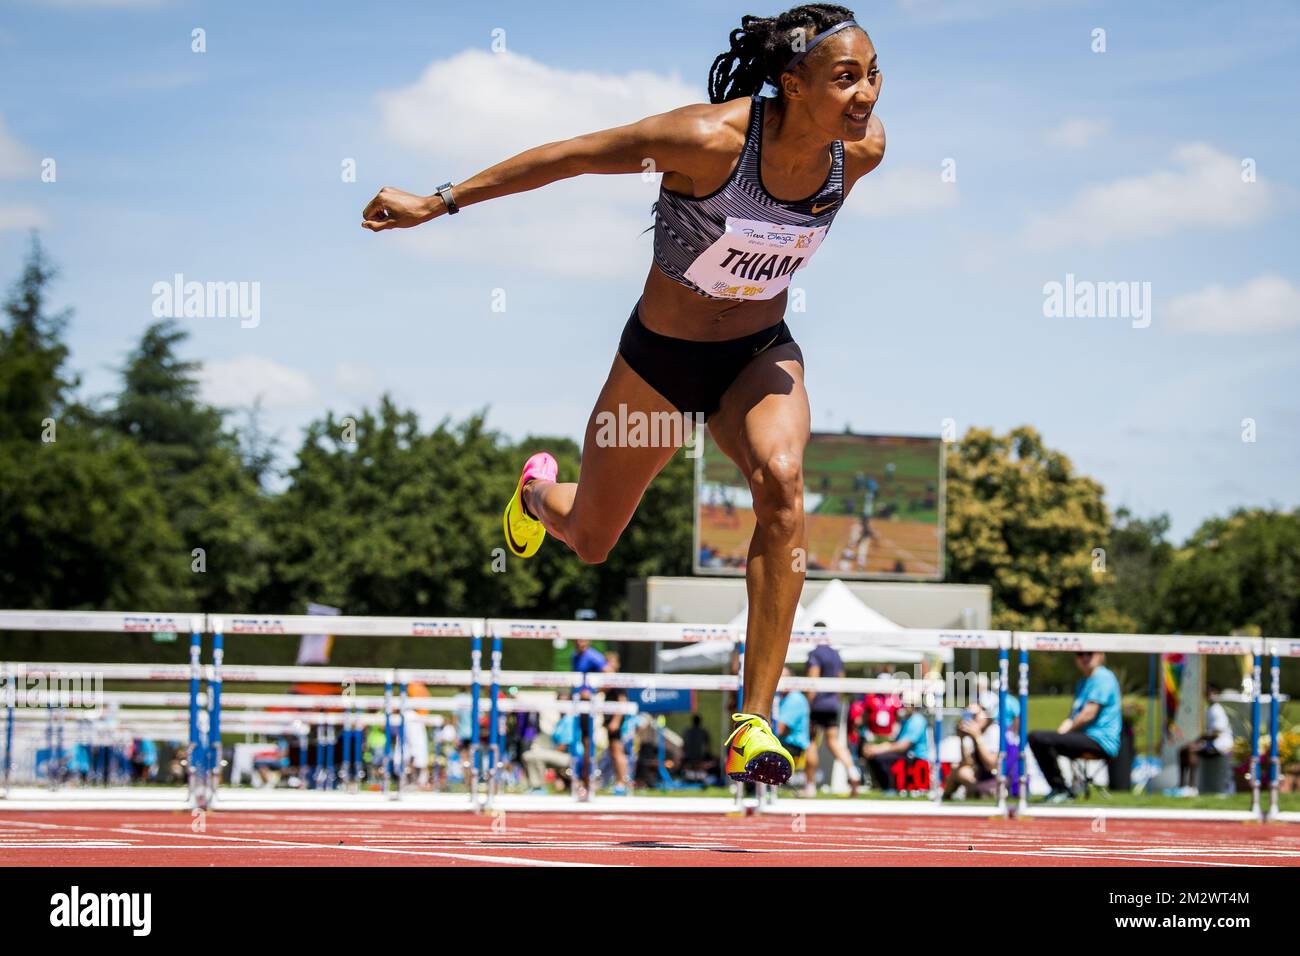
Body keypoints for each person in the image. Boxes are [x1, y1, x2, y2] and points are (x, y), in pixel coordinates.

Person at [362, 5, 885, 787]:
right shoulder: (707, 141)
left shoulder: (861, 154)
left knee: (782, 485)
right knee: (593, 536)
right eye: (846, 78)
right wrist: (440, 201)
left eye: (875, 75)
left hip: (756, 357)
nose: (867, 94)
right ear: (791, 82)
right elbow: (571, 156)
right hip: (662, 365)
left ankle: (754, 722)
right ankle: (538, 493)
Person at [1028, 650, 1121, 803]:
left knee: (1039, 738)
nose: (1084, 657)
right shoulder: (1083, 682)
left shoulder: (1103, 677)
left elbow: (1088, 713)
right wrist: (1059, 734)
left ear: (1100, 655)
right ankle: (1060, 789)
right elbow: (1073, 717)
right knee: (1039, 738)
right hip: (1084, 737)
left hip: (1101, 741)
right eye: (1079, 654)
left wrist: (1062, 733)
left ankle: (1062, 790)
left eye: (1089, 653)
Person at [803, 632, 861, 796]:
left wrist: (808, 704)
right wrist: (835, 700)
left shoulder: (815, 653)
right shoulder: (836, 655)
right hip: (833, 703)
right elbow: (840, 680)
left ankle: (810, 786)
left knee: (811, 743)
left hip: (817, 704)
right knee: (833, 742)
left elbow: (813, 679)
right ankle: (853, 772)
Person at [942, 693, 1020, 801]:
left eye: (975, 715)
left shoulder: (994, 731)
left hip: (1002, 780)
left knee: (962, 773)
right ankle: (945, 797)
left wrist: (977, 738)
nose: (972, 719)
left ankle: (973, 795)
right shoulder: (979, 730)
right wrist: (961, 739)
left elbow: (991, 765)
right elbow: (968, 763)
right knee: (958, 769)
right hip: (986, 777)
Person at [861, 701, 932, 793]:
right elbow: (895, 741)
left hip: (916, 758)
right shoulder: (906, 720)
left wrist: (877, 749)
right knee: (874, 755)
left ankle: (890, 788)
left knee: (880, 758)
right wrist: (875, 748)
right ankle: (880, 786)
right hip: (906, 755)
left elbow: (902, 747)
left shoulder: (917, 720)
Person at [1178, 682, 1235, 793]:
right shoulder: (1209, 709)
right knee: (1183, 751)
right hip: (1212, 742)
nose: (1208, 695)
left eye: (1211, 692)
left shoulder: (1217, 710)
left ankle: (1192, 786)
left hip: (1220, 744)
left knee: (1191, 751)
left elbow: (1216, 733)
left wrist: (1199, 742)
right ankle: (1181, 785)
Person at [773, 667, 811, 769]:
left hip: (792, 747)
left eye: (782, 678)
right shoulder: (781, 698)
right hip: (784, 744)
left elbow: (779, 730)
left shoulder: (794, 699)